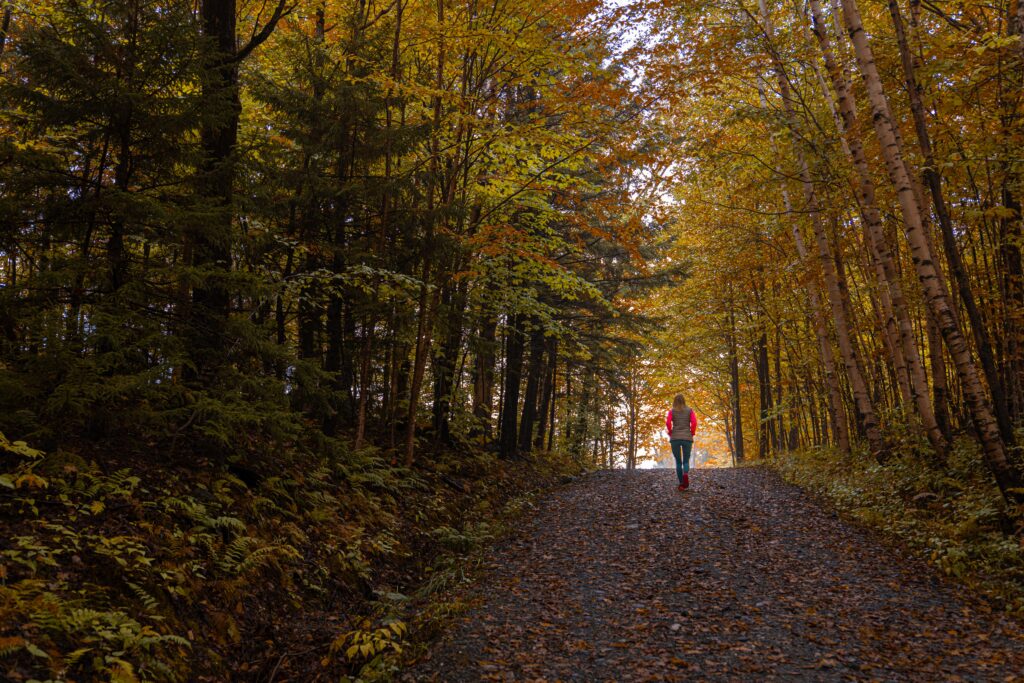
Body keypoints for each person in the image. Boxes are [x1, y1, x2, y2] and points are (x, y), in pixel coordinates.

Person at [666, 394, 697, 491]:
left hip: (675, 438)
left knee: (678, 462)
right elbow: (694, 422)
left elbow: (668, 422)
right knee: (686, 461)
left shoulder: (672, 411)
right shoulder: (690, 410)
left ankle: (681, 484)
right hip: (687, 438)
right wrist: (692, 432)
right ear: (684, 400)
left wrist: (670, 432)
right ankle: (685, 474)